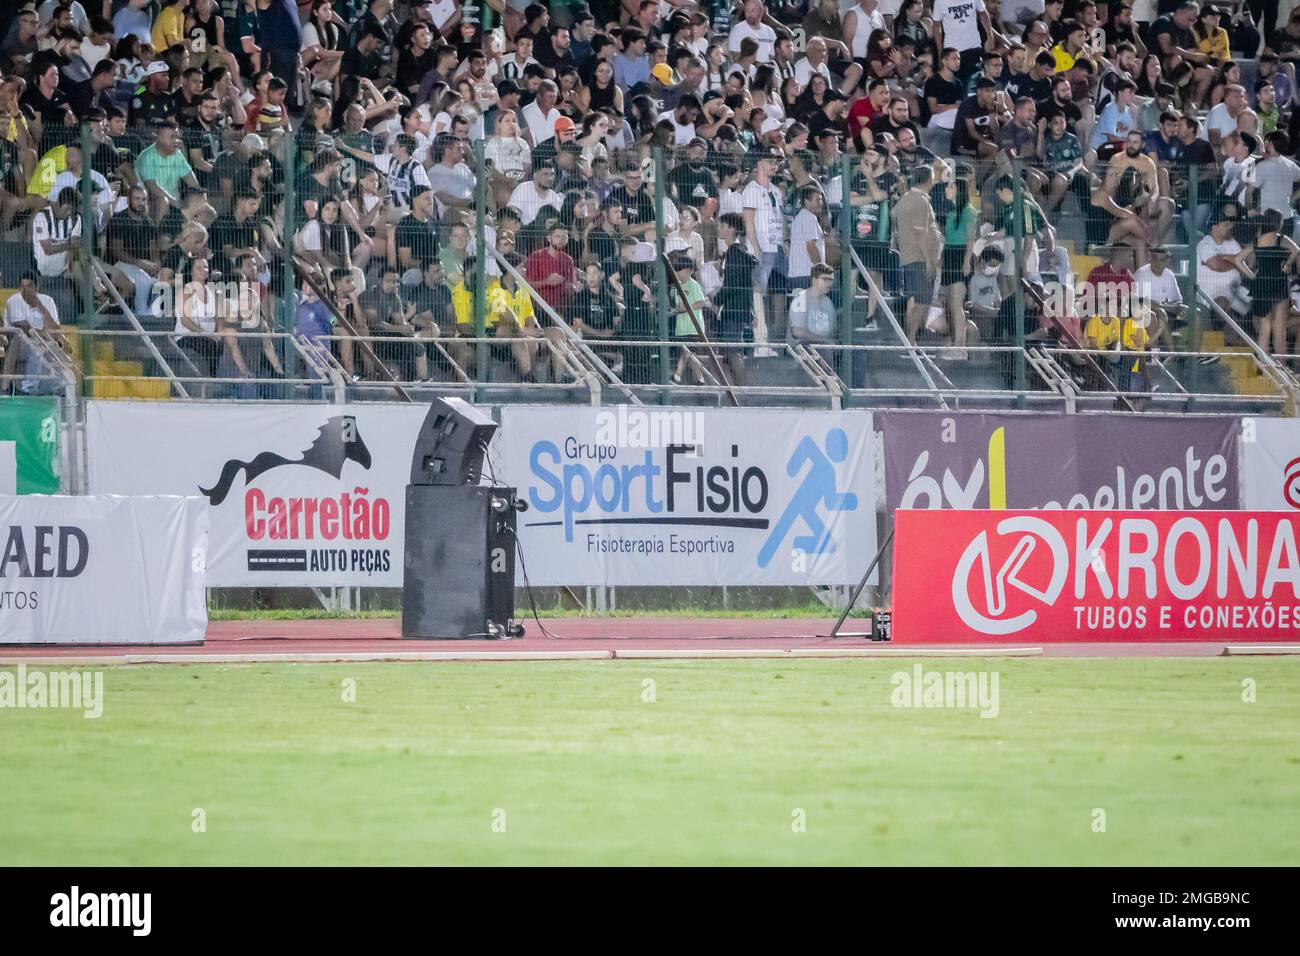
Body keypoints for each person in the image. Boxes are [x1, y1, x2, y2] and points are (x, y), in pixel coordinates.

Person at [788, 263, 837, 344]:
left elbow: (832, 332)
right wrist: (823, 340)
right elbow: (796, 332)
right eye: (825, 279)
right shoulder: (801, 298)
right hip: (801, 346)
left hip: (824, 347)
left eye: (831, 280)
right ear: (814, 280)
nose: (829, 283)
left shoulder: (828, 303)